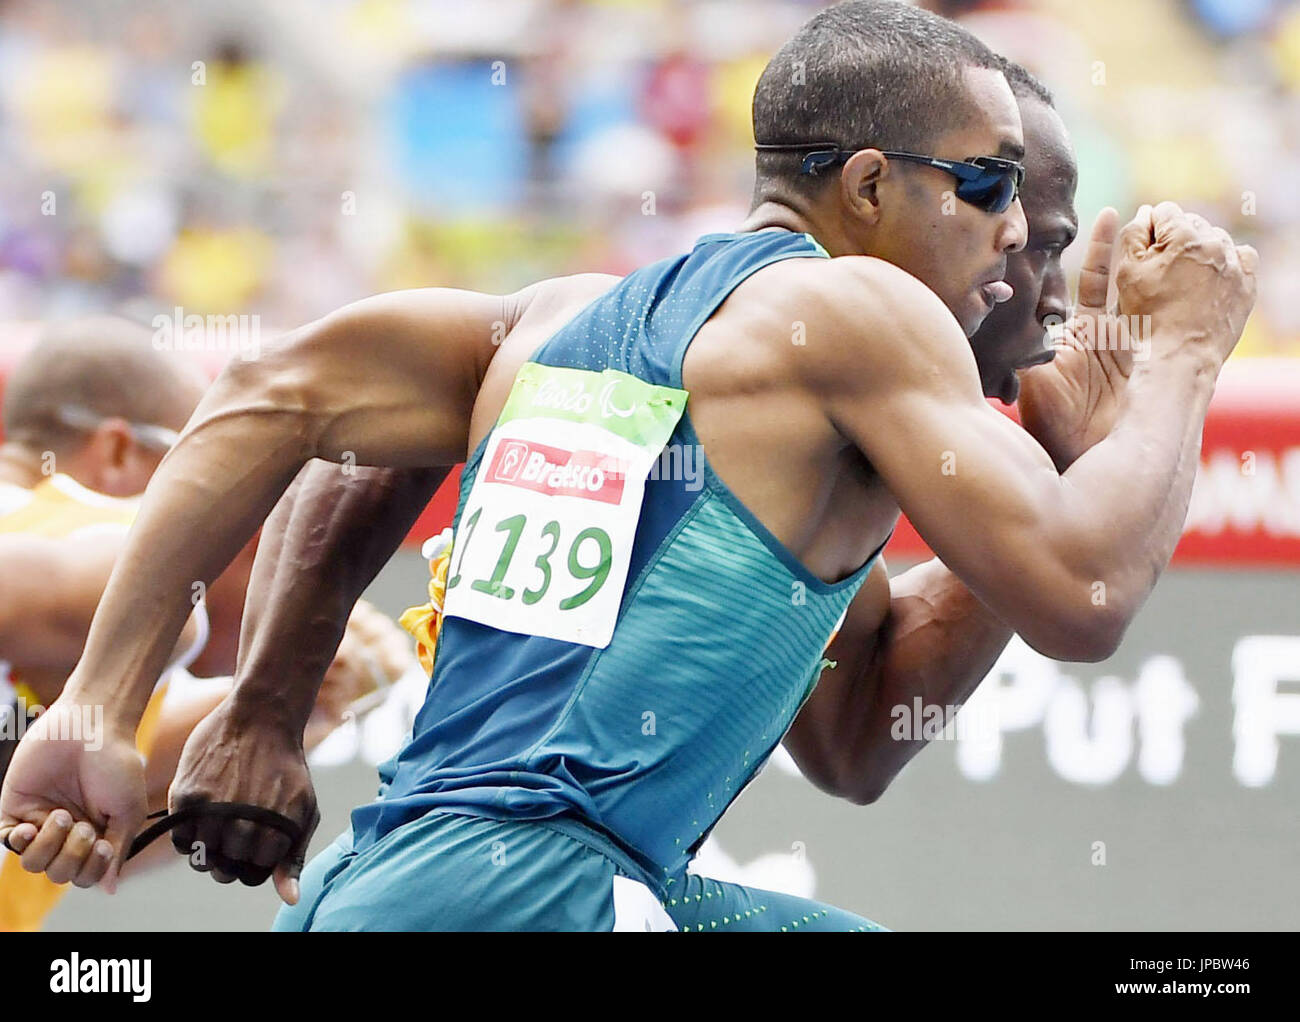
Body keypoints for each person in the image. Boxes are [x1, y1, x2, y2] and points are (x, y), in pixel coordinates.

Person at [0, 1, 1256, 930]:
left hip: (387, 882)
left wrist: (118, 706)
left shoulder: (561, 325)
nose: (1018, 246)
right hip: (543, 890)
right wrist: (1181, 360)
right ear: (869, 188)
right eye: (990, 191)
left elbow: (277, 397)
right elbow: (1085, 592)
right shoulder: (866, 320)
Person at [0, 317, 408, 928]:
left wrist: (295, 704)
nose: (237, 525)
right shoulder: (99, 540)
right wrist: (289, 640)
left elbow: (99, 842)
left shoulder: (88, 658)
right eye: (205, 474)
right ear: (116, 450)